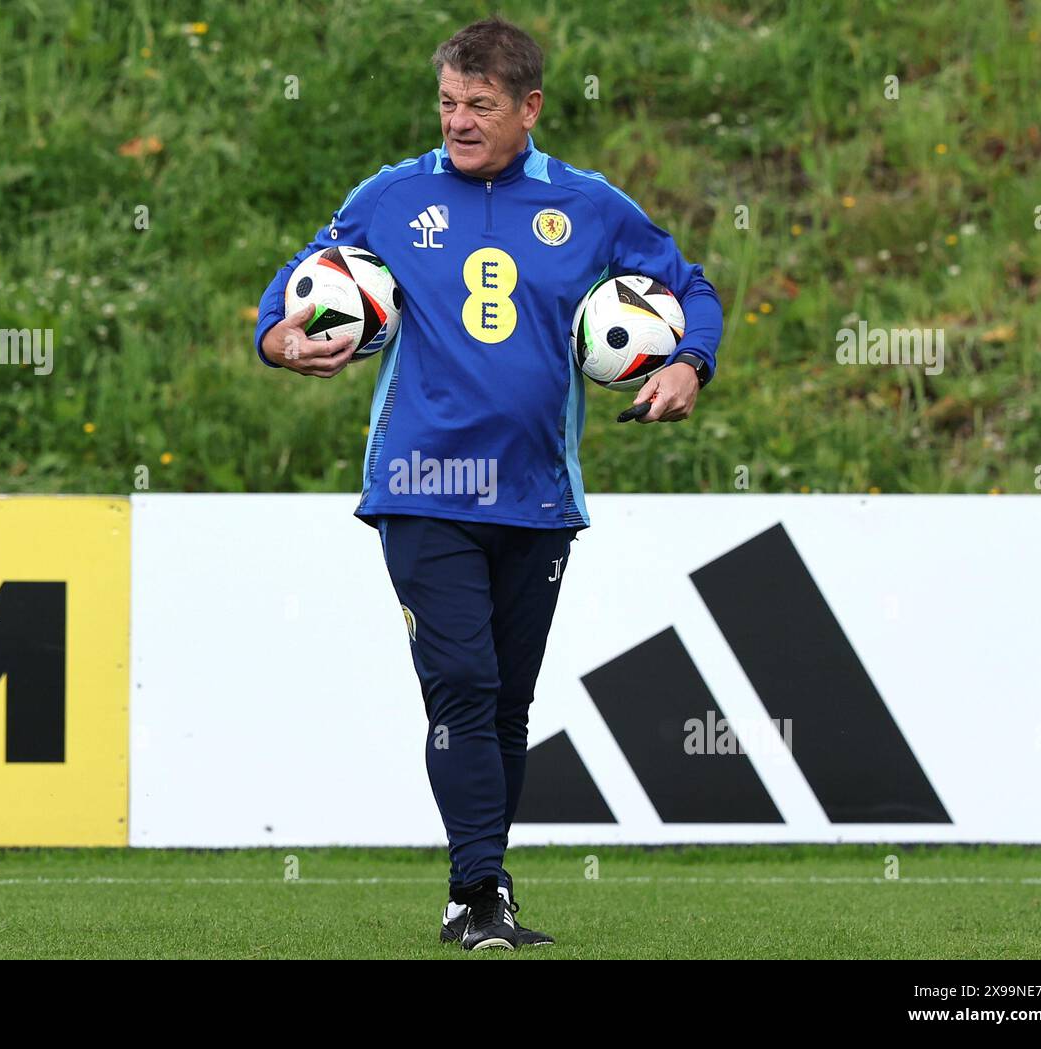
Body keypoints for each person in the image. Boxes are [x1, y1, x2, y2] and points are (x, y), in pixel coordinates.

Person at [254, 16, 723, 951]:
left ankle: (479, 893)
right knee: (463, 684)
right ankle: (478, 891)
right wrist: (280, 339)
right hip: (423, 485)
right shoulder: (392, 196)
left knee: (508, 701)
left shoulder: (588, 206)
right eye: (447, 103)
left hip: (539, 495)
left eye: (479, 105)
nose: (458, 122)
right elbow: (296, 286)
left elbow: (693, 287)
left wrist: (689, 365)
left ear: (529, 108)